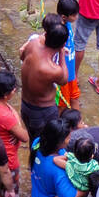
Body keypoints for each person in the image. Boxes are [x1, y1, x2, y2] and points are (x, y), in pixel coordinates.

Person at [19, 17, 69, 151]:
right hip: (42, 112)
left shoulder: (32, 44)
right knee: (46, 144)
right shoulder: (53, 69)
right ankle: (38, 166)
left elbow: (22, 56)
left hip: (25, 105)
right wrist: (62, 54)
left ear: (46, 35)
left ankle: (33, 162)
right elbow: (64, 79)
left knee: (33, 139)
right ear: (62, 44)